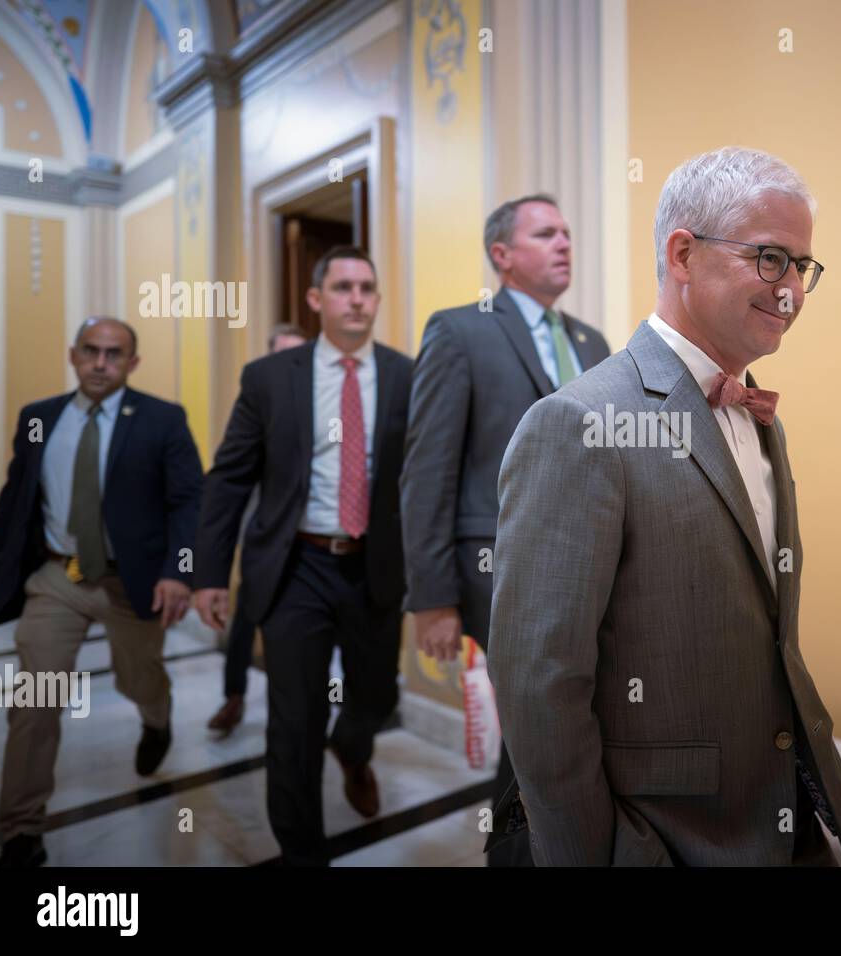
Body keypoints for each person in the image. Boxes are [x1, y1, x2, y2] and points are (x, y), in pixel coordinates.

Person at [486, 147, 841, 865]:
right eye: (771, 259)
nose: (792, 292)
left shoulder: (761, 419)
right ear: (683, 254)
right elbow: (539, 682)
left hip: (783, 818)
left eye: (802, 268)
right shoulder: (579, 422)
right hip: (662, 837)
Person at [400, 194, 609, 866]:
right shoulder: (461, 330)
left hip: (593, 562)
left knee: (572, 721)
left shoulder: (590, 342)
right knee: (533, 727)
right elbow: (427, 467)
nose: (564, 243)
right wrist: (431, 596)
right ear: (502, 255)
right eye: (545, 233)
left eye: (567, 233)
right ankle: (512, 855)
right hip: (498, 565)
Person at [193, 247, 411, 866]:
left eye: (367, 287)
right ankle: (302, 852)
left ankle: (355, 747)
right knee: (296, 717)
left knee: (373, 697)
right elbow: (230, 476)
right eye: (342, 287)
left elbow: (426, 477)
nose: (357, 298)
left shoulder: (406, 374)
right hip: (296, 566)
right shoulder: (271, 378)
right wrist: (209, 573)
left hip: (375, 565)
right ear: (316, 300)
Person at [0, 317, 203, 868]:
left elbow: (188, 501)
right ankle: (21, 832)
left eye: (114, 353)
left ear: (133, 362)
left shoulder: (162, 419)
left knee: (139, 679)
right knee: (36, 698)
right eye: (91, 351)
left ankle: (156, 716)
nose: (100, 363)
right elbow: (16, 497)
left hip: (132, 582)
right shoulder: (39, 419)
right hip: (59, 576)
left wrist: (180, 570)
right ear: (73, 354)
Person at [206, 322, 309, 736]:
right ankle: (234, 695)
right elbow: (232, 476)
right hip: (263, 533)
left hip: (310, 540)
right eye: (280, 353)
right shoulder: (259, 398)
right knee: (247, 614)